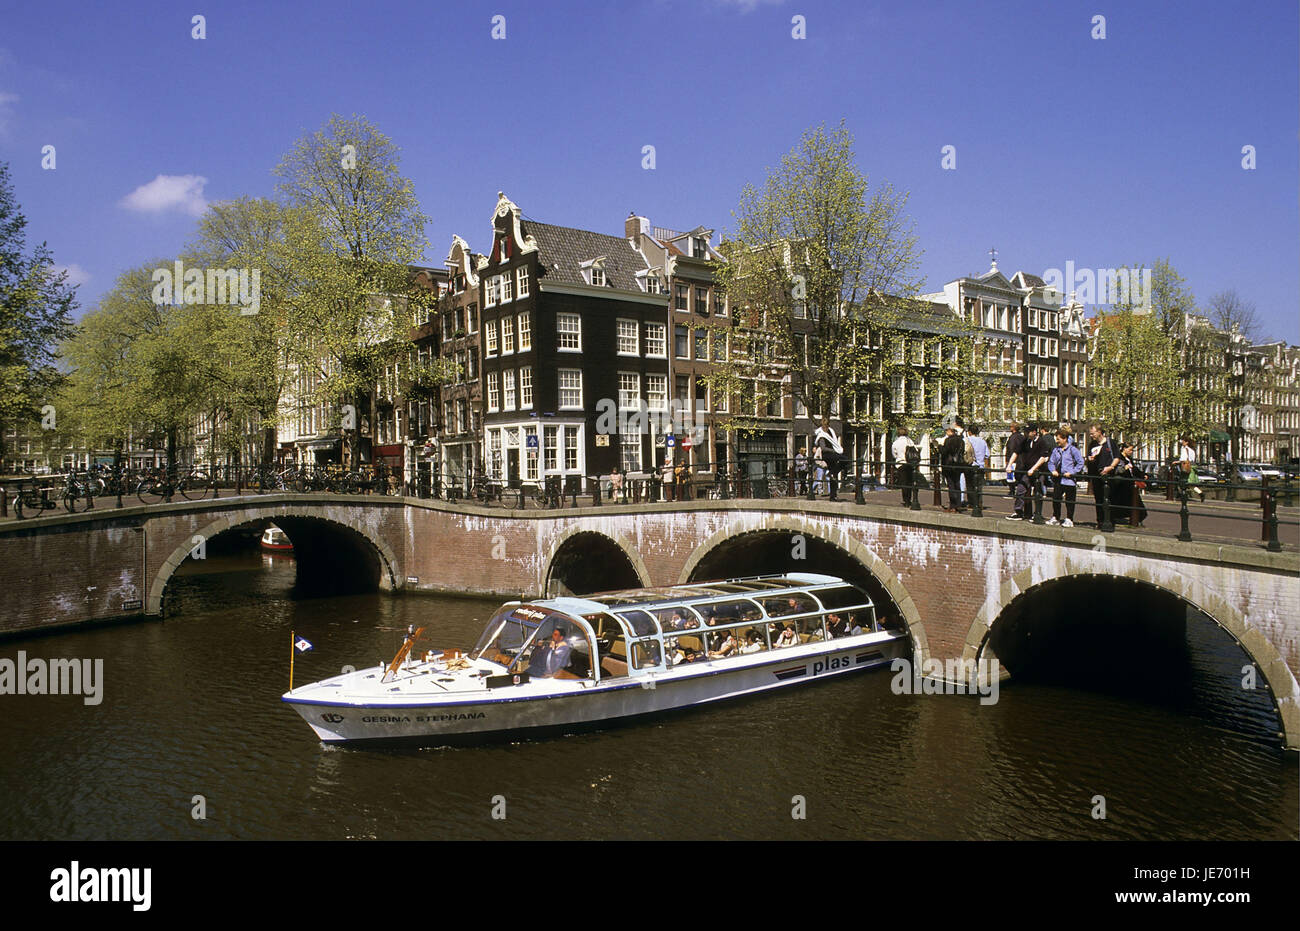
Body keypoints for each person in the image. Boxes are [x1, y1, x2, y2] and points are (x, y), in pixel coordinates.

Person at [1046, 428, 1083, 527]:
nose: (1056, 441)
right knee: (1056, 498)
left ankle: (1069, 518)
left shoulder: (1073, 450)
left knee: (1070, 500)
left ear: (1065, 439)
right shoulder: (1056, 450)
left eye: (1058, 439)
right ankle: (1056, 517)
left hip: (1069, 480)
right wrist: (1053, 470)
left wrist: (1072, 472)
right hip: (1059, 478)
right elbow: (1051, 462)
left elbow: (1080, 463)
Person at [1084, 423, 1118, 527]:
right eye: (1090, 434)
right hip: (1096, 475)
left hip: (1108, 476)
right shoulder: (1092, 445)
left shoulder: (1110, 443)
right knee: (1098, 499)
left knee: (1109, 498)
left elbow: (1116, 457)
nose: (1091, 436)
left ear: (1099, 432)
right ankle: (1100, 521)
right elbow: (1089, 457)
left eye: (1093, 434)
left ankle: (1110, 521)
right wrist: (1090, 459)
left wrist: (1110, 467)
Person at [1022, 423, 1055, 520]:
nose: (1026, 433)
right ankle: (1027, 513)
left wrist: (1034, 468)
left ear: (1034, 432)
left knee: (1038, 492)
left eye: (1028, 432)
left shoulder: (1042, 442)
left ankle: (1037, 513)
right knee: (1023, 490)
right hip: (1028, 470)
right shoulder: (1027, 442)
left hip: (1038, 471)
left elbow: (1043, 457)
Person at [1114, 440, 1149, 527]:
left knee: (1134, 503)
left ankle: (1138, 518)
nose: (1131, 452)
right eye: (1130, 450)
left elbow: (1134, 469)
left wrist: (1142, 475)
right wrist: (1125, 468)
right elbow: (1117, 470)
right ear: (1124, 449)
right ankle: (1134, 519)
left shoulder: (1129, 459)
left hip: (1130, 484)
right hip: (1123, 485)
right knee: (1128, 503)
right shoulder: (1119, 458)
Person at [814, 416, 847, 502]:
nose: (826, 427)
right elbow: (823, 448)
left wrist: (836, 450)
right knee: (843, 460)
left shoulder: (831, 431)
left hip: (833, 454)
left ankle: (833, 496)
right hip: (827, 455)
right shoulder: (821, 435)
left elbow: (834, 442)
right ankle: (832, 474)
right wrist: (834, 450)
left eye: (827, 426)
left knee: (835, 473)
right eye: (824, 426)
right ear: (822, 426)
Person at [941, 425, 964, 512]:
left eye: (947, 431)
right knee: (957, 484)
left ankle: (953, 505)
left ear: (950, 431)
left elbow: (944, 452)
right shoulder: (961, 441)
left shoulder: (948, 440)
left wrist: (939, 447)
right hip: (958, 465)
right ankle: (958, 504)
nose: (946, 432)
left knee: (951, 485)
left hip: (949, 465)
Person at [892, 427, 917, 506]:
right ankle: (911, 499)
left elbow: (894, 454)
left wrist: (899, 456)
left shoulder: (895, 442)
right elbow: (915, 450)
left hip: (901, 464)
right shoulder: (910, 441)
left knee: (904, 483)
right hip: (909, 463)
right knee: (909, 482)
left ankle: (906, 501)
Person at [967, 424, 989, 508]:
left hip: (970, 465)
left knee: (970, 485)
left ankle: (971, 503)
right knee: (979, 486)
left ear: (969, 432)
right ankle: (979, 503)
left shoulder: (967, 440)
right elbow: (987, 455)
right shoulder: (982, 441)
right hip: (980, 466)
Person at [1178, 434, 1205, 502]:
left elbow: (1183, 459)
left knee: (1183, 482)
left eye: (1183, 441)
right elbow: (1192, 459)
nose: (1182, 442)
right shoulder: (1192, 450)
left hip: (1186, 468)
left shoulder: (1184, 449)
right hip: (1192, 467)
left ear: (1186, 442)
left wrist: (1176, 462)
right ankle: (1200, 493)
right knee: (1191, 484)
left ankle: (1199, 494)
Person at [1004, 422, 1024, 502]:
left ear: (1013, 428)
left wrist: (1009, 460)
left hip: (1013, 459)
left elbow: (1011, 449)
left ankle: (1012, 492)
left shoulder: (1013, 438)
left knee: (1010, 477)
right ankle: (1019, 491)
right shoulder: (1022, 437)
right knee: (1018, 477)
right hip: (1020, 460)